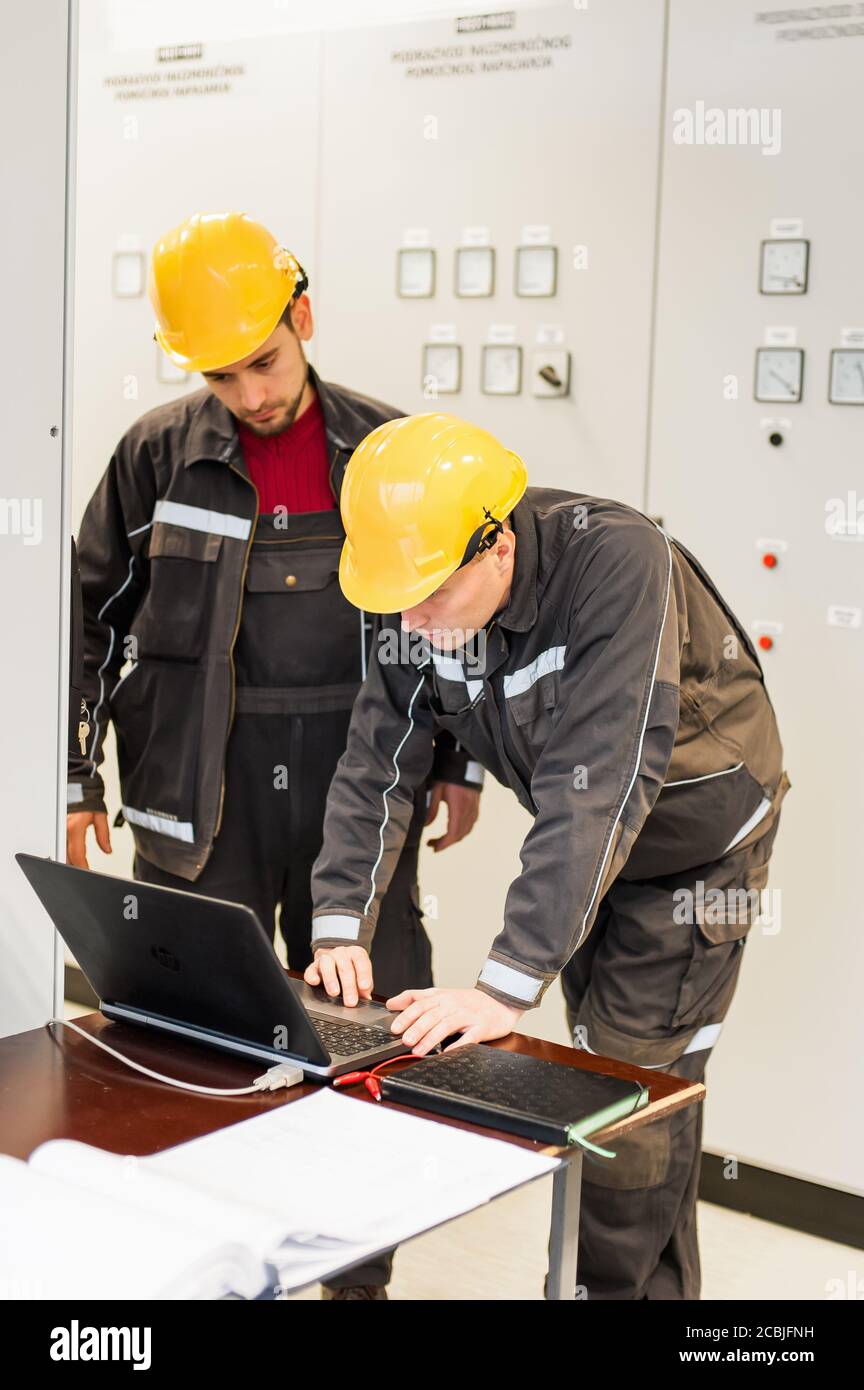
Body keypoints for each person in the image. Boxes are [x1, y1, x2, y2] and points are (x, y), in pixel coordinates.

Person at [67, 216, 482, 1300]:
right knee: (193, 1037)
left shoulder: (383, 451)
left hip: (356, 782)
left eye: (266, 360)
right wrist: (75, 778)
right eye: (224, 372)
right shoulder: (156, 454)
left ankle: (355, 1276)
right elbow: (88, 617)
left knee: (377, 1027)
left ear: (303, 318)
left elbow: (446, 614)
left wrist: (457, 764)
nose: (251, 393)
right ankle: (201, 1266)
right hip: (198, 789)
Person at [304, 412, 790, 1300]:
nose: (411, 621)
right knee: (641, 1086)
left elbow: (597, 782)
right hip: (595, 852)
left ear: (495, 545)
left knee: (623, 1106)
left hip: (693, 854)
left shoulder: (616, 563)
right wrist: (341, 923)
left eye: (429, 594)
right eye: (395, 600)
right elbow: (377, 761)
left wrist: (501, 986)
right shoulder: (418, 601)